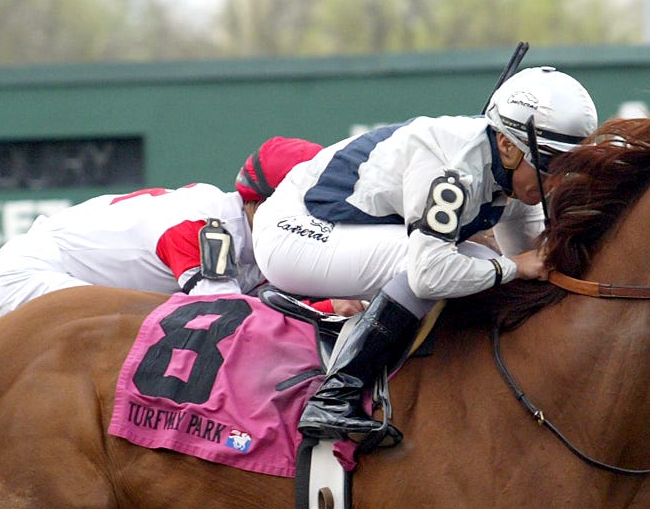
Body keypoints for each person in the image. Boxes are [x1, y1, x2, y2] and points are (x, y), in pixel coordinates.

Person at [250, 65, 599, 443]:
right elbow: (429, 274)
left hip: (352, 228)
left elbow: (536, 267)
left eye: (571, 168)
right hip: (294, 231)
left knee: (491, 269)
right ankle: (336, 397)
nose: (558, 182)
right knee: (462, 263)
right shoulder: (453, 167)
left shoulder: (512, 175)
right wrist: (512, 266)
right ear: (507, 145)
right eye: (550, 165)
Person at [0, 136, 329, 317]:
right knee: (134, 332)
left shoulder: (264, 245)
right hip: (28, 273)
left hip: (82, 278)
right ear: (264, 202)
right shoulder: (208, 224)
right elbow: (228, 318)